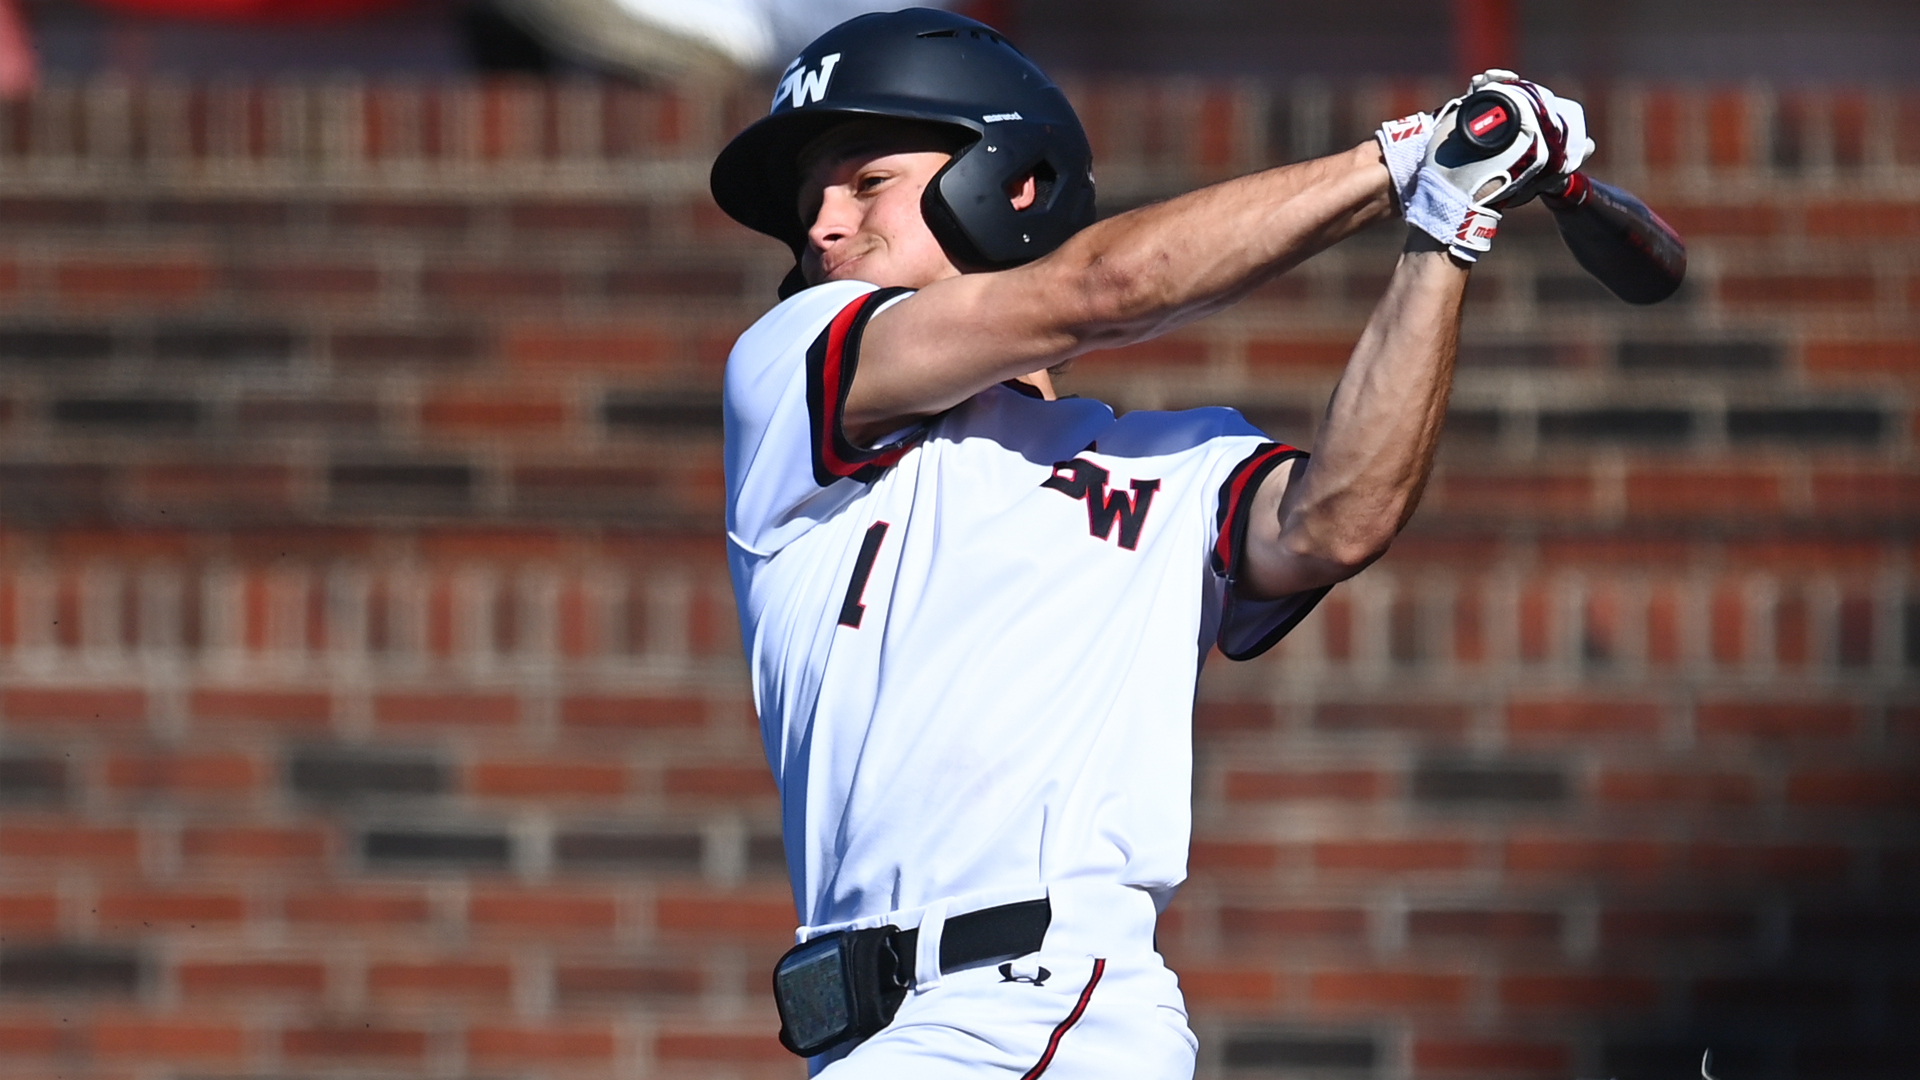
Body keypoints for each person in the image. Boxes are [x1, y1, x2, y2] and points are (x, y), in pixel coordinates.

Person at [708, 8, 1590, 1078]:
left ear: (1011, 187)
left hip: (1042, 1008)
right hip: (875, 1033)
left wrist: (1444, 224)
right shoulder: (791, 374)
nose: (823, 229)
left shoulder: (1173, 465)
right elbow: (1103, 292)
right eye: (811, 204)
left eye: (866, 183)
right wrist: (1397, 158)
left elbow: (1340, 515)